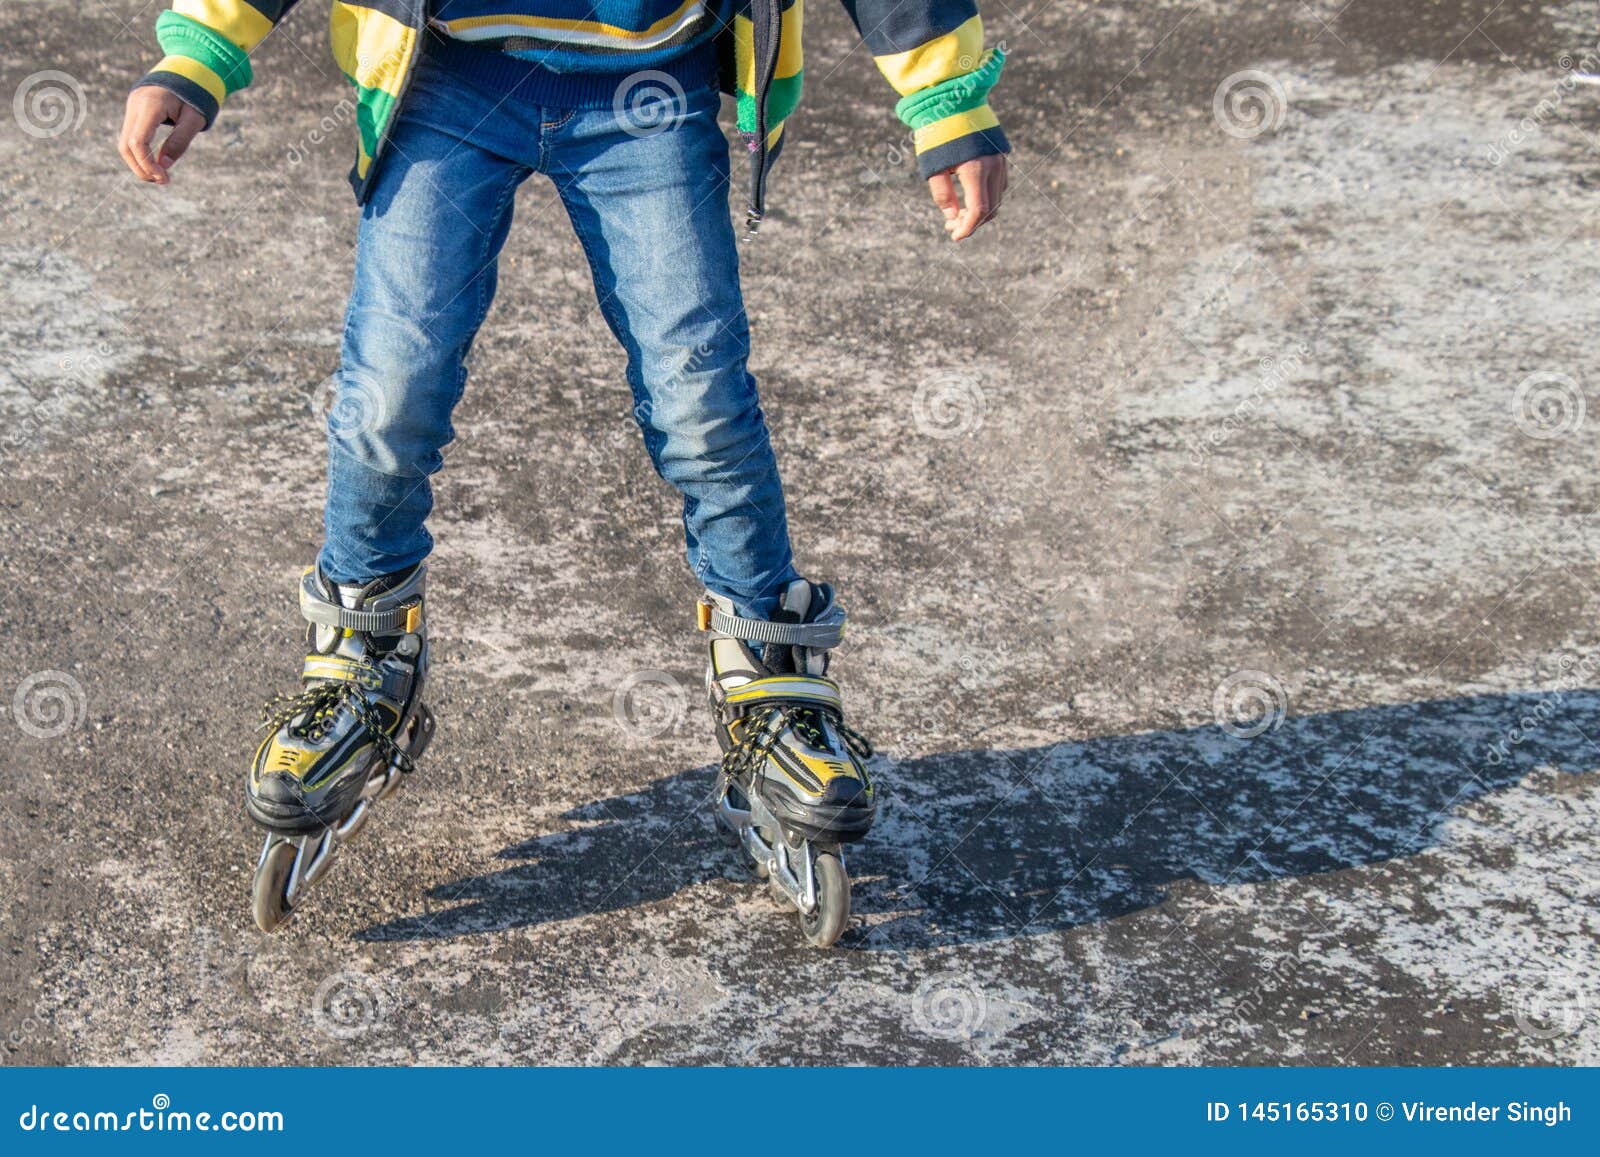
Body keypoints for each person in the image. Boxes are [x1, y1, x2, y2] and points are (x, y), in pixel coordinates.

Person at [118, 0, 1009, 945]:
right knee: (390, 392)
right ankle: (362, 654)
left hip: (648, 80)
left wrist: (944, 95)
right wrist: (201, 53)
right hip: (447, 75)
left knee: (698, 396)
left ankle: (770, 673)